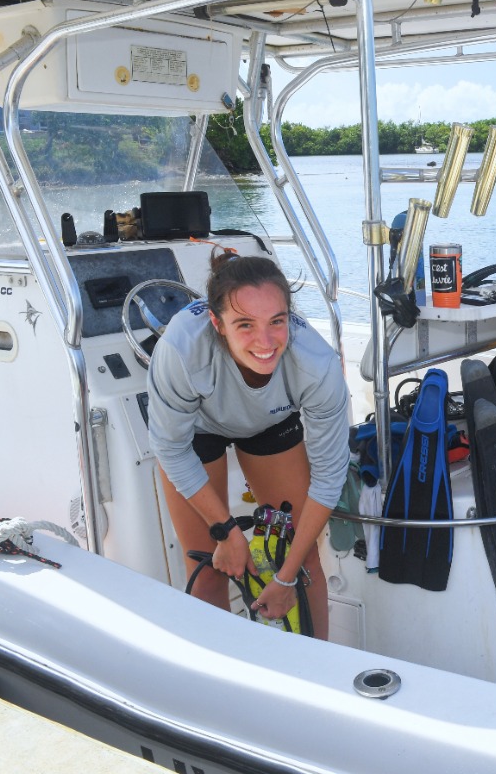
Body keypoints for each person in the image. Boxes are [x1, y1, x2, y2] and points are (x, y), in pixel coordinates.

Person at [147, 250, 350, 639]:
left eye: (277, 321)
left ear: (290, 316)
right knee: (208, 567)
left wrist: (286, 578)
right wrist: (225, 531)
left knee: (303, 559)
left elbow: (328, 480)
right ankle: (219, 683)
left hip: (270, 420)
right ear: (216, 323)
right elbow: (171, 447)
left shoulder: (317, 365)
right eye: (244, 324)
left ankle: (321, 671)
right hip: (197, 431)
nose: (265, 340)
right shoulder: (181, 349)